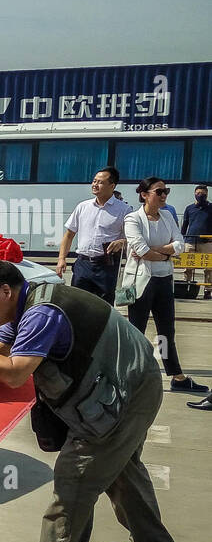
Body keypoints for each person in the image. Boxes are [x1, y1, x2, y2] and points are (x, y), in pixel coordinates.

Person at [0, 259, 179, 542]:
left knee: (77, 471)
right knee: (122, 473)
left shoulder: (42, 314)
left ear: (5, 291)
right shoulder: (28, 302)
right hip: (134, 382)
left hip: (126, 391)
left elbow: (14, 373)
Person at [123, 177, 208, 394]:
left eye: (166, 191)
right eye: (159, 191)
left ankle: (177, 377)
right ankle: (129, 375)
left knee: (166, 331)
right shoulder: (133, 219)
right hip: (141, 281)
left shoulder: (168, 216)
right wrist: (165, 254)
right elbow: (141, 250)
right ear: (144, 194)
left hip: (163, 280)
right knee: (136, 330)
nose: (164, 195)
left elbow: (179, 244)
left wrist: (157, 252)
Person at [55, 166, 129, 300]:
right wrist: (61, 259)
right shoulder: (82, 207)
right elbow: (69, 235)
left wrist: (122, 242)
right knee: (77, 304)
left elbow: (131, 238)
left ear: (112, 186)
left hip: (107, 266)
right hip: (83, 264)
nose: (95, 184)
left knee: (104, 307)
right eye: (94, 181)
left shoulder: (124, 210)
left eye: (100, 182)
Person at [180, 183, 212, 298]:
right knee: (187, 266)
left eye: (203, 194)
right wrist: (181, 237)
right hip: (190, 240)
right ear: (194, 194)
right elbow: (185, 224)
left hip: (207, 242)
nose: (200, 195)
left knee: (209, 268)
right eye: (198, 193)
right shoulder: (189, 208)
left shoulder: (211, 208)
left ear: (207, 194)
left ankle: (208, 290)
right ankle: (185, 287)